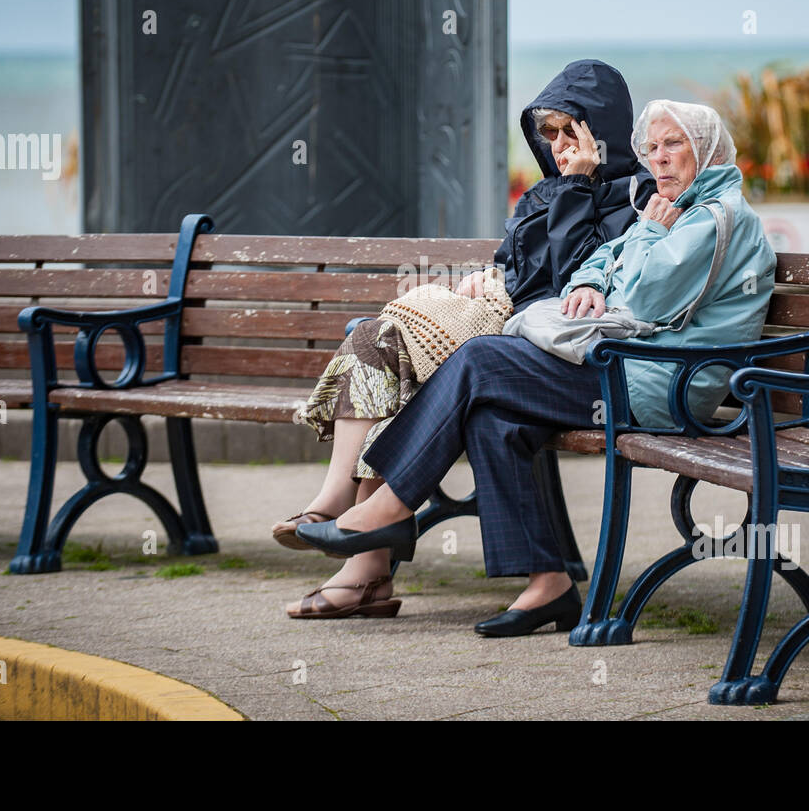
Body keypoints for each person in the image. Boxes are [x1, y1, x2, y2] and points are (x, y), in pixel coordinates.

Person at [295, 99, 778, 634]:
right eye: (654, 146)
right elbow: (593, 267)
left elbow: (645, 303)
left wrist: (648, 236)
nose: (659, 159)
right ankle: (547, 583)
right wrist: (595, 281)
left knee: (479, 360)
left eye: (675, 145)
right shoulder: (673, 209)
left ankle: (390, 503)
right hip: (622, 363)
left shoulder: (715, 219)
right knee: (491, 418)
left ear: (706, 151)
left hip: (658, 384)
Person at [277, 60, 653, 618]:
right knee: (377, 345)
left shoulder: (636, 197)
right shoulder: (542, 195)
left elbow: (578, 276)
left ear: (600, 129)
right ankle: (540, 581)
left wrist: (579, 184)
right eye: (546, 132)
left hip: (570, 356)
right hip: (518, 338)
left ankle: (372, 544)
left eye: (568, 131)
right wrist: (488, 277)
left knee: (435, 362)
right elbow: (518, 268)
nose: (555, 145)